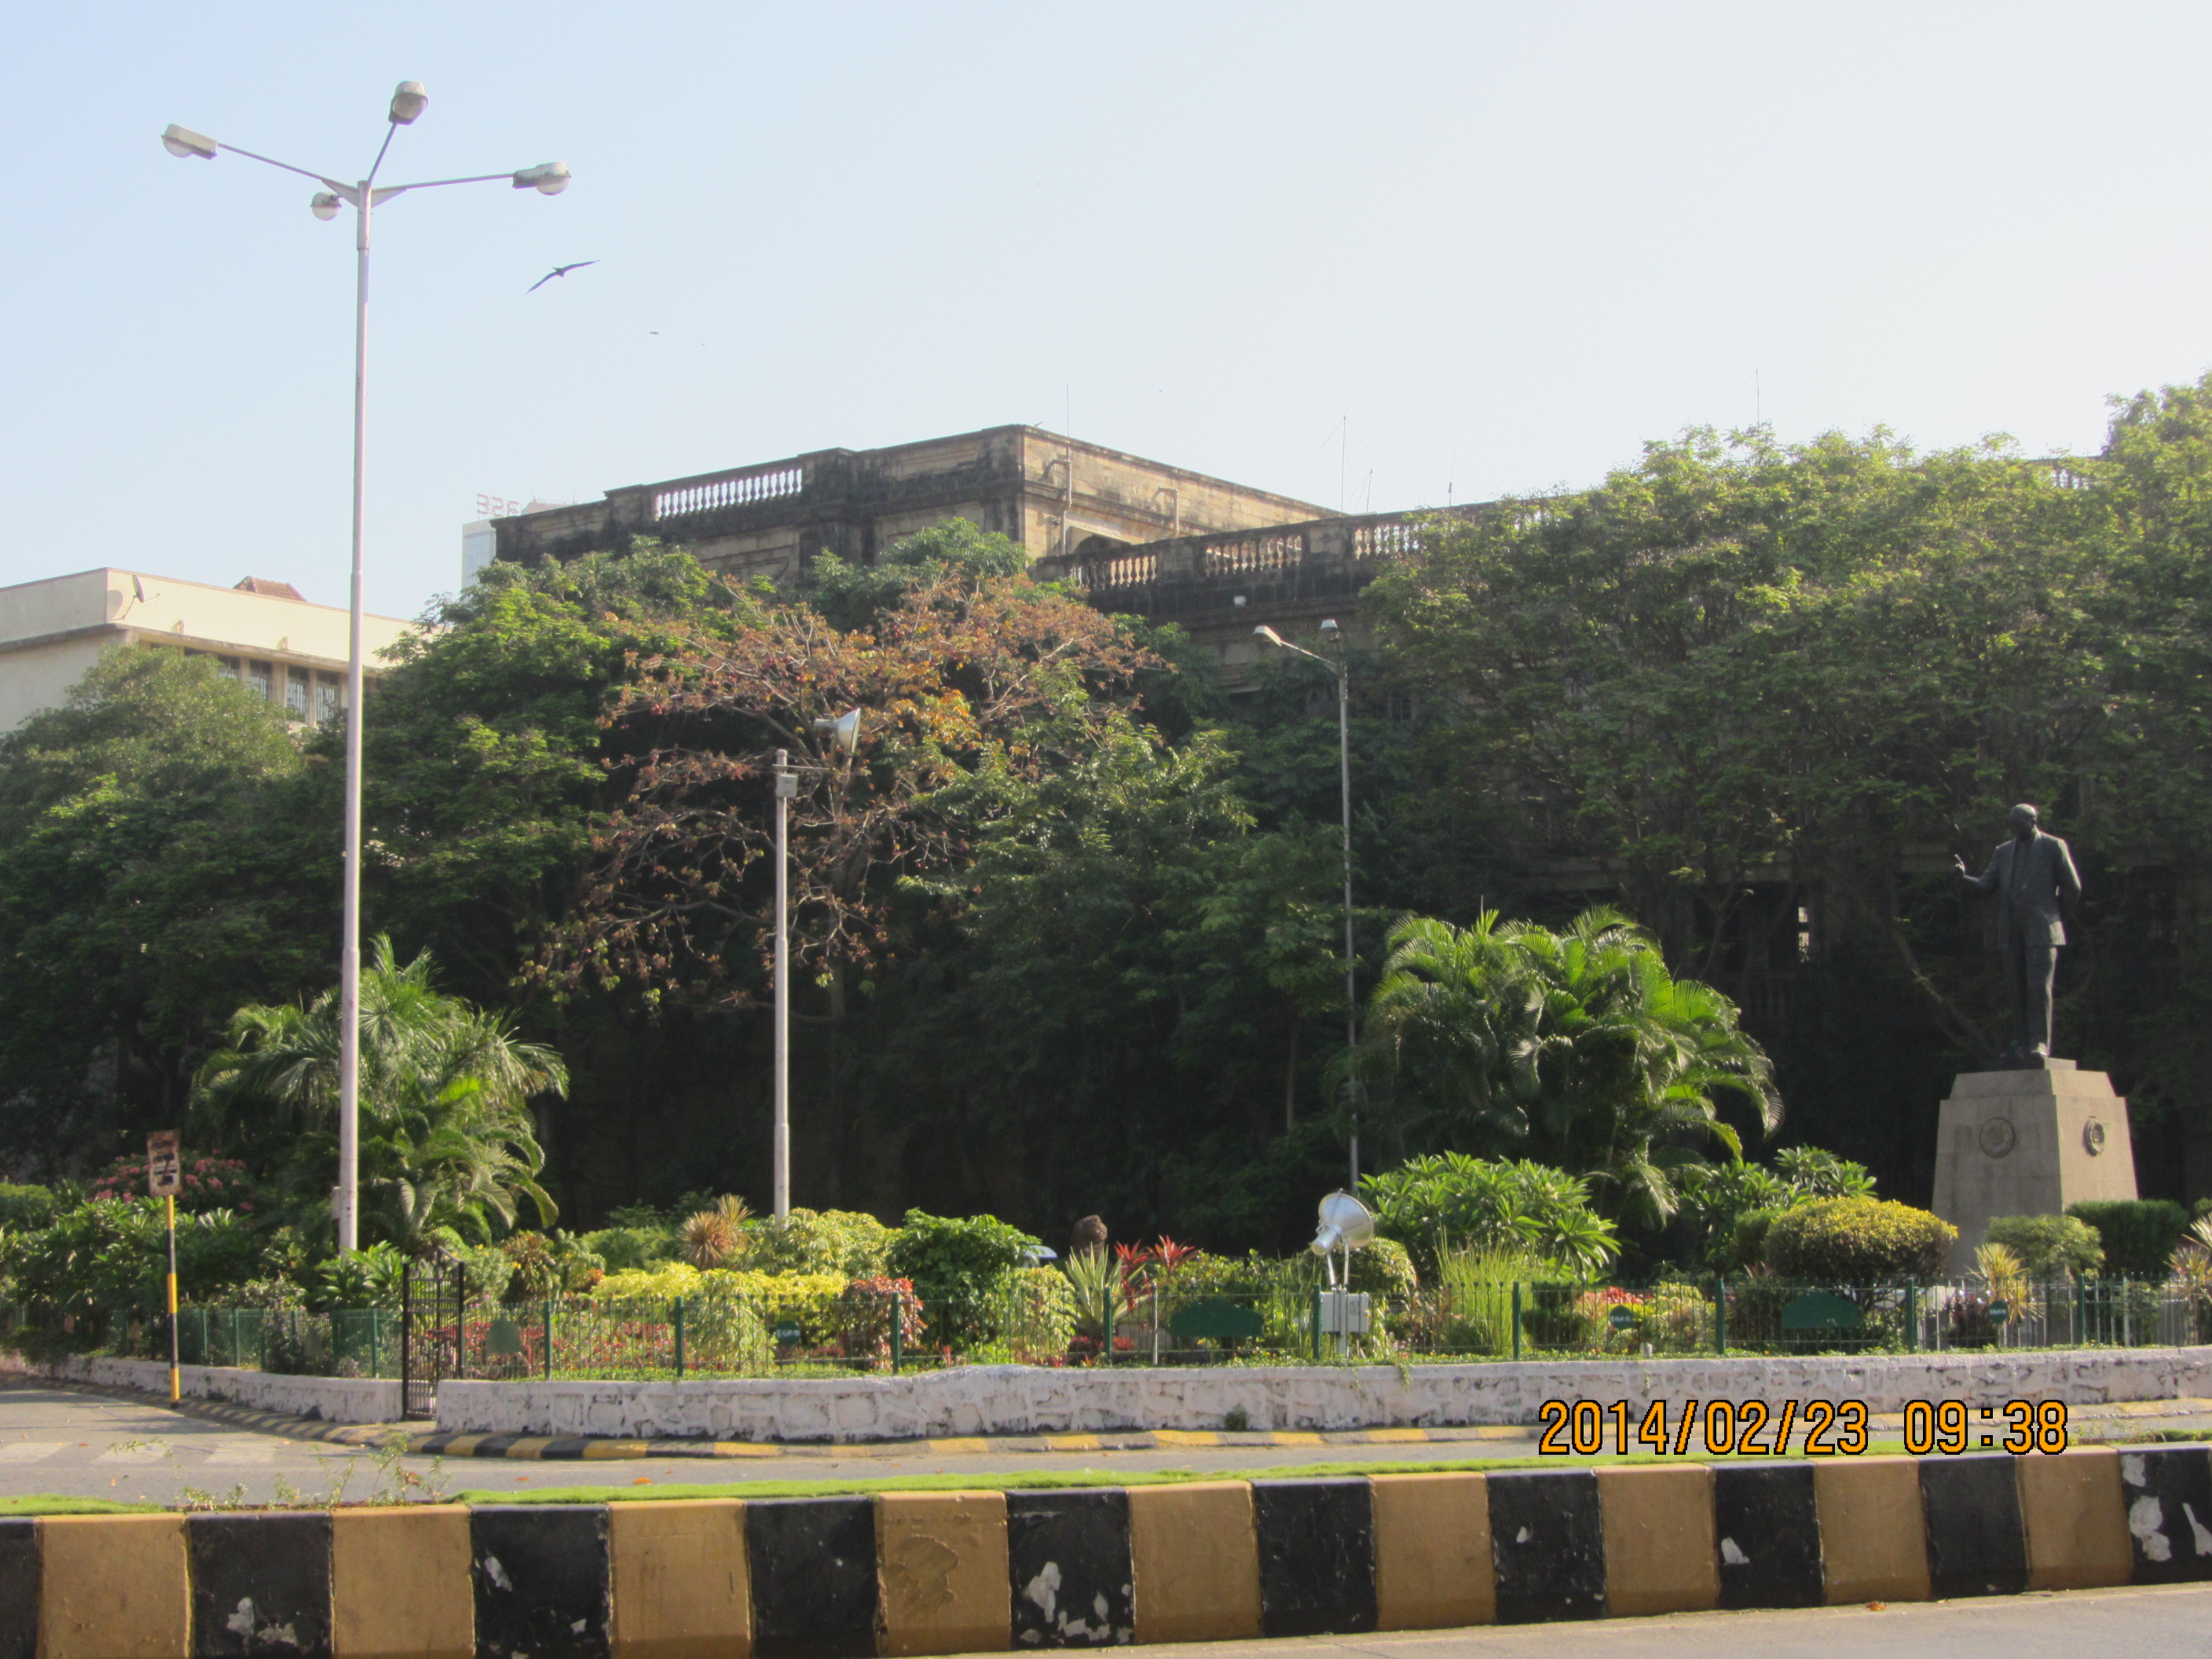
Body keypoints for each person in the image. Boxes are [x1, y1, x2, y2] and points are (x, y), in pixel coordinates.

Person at [1954, 804, 2081, 1066]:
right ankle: (2021, 1041)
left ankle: (2039, 1043)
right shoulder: (2003, 852)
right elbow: (1986, 886)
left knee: (2038, 988)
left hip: (2043, 932)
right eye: (2012, 824)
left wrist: (2055, 917)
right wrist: (1962, 878)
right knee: (2016, 990)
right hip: (2012, 932)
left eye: (2019, 823)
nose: (2014, 828)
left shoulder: (2053, 846)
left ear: (2032, 821)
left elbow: (2073, 887)